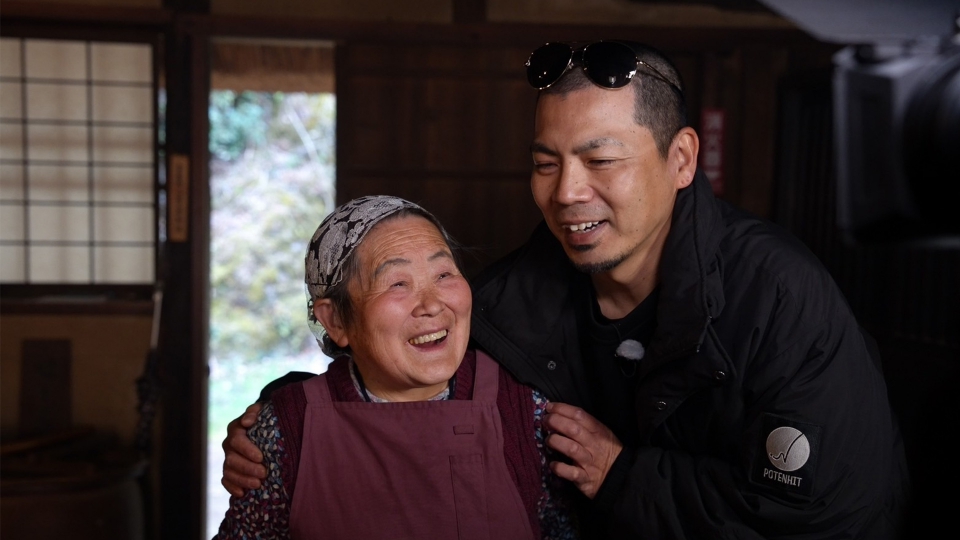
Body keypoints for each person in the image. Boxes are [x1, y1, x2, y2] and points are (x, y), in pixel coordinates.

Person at [222, 40, 910, 539]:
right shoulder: (514, 298)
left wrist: (623, 476)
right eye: (546, 163)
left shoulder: (778, 299)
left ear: (681, 159)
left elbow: (829, 514)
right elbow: (409, 365)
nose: (567, 192)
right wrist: (283, 418)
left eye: (600, 159)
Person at [213, 195, 578, 539]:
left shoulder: (523, 407)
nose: (432, 305)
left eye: (444, 275)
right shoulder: (286, 426)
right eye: (398, 283)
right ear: (336, 320)